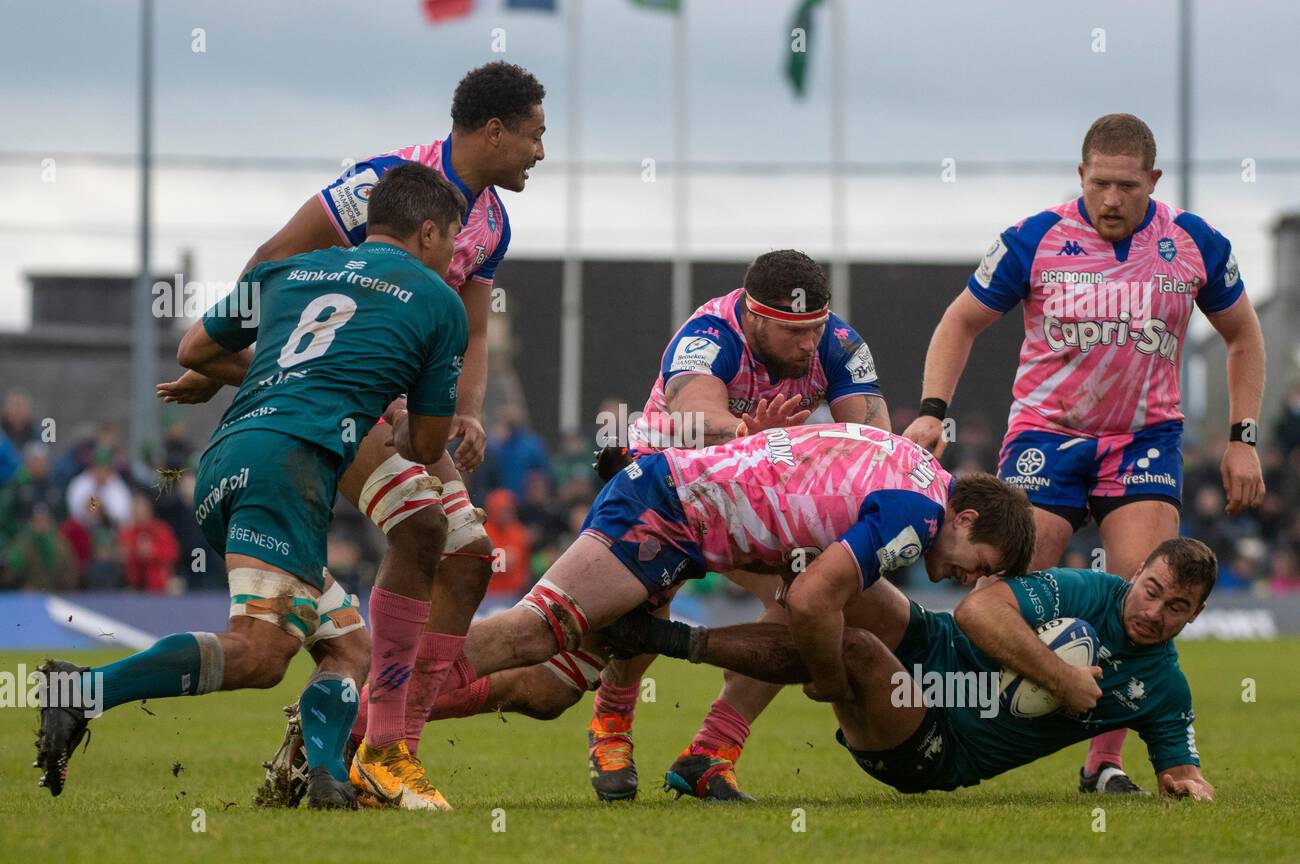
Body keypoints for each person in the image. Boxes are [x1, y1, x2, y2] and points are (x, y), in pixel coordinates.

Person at [156, 62, 547, 782]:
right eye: (534, 135)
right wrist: (232, 350)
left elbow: (477, 330)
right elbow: (278, 255)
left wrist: (466, 407)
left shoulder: (492, 222)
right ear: (494, 130)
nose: (540, 152)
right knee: (428, 532)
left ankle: (374, 743)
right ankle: (379, 751)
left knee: (469, 558)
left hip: (393, 400)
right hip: (336, 396)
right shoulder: (385, 182)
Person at [35, 164, 468, 811]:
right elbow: (428, 449)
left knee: (349, 645)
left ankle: (323, 778)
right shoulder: (439, 302)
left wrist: (274, 376)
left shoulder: (292, 270)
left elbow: (195, 348)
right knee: (261, 654)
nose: (454, 255)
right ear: (428, 232)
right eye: (453, 240)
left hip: (224, 459)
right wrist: (398, 417)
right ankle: (87, 690)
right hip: (288, 471)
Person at [901, 113, 1265, 794]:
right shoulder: (1035, 238)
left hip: (1145, 438)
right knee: (1002, 587)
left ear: (1152, 180)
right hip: (1046, 435)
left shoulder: (1194, 242)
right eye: (1100, 183)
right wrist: (931, 412)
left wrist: (1243, 437)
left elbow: (1244, 335)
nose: (1112, 199)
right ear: (1081, 175)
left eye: (1127, 185)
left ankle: (1104, 761)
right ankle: (950, 720)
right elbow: (961, 319)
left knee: (1143, 599)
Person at [391, 424, 1034, 807]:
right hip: (666, 509)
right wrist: (832, 685)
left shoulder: (913, 469)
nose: (970, 577)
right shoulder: (919, 518)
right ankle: (370, 721)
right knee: (532, 634)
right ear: (967, 518)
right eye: (983, 561)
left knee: (545, 688)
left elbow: (804, 582)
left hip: (687, 518)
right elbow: (815, 599)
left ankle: (705, 756)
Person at [583, 249, 890, 801]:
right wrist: (749, 432)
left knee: (806, 600)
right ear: (753, 317)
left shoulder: (840, 345)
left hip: (755, 498)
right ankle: (610, 724)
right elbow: (694, 415)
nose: (809, 345)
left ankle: (710, 752)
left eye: (816, 329)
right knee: (631, 625)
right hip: (671, 488)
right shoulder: (707, 335)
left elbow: (876, 441)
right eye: (793, 333)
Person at [611, 538, 1217, 802]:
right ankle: (672, 545)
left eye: (1176, 608)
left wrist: (1185, 784)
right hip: (936, 639)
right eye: (1152, 590)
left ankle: (660, 635)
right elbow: (979, 612)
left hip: (936, 746)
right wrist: (1060, 679)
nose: (1154, 612)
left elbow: (1181, 768)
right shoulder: (1088, 589)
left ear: (1196, 615)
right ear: (1136, 574)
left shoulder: (1165, 687)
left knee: (853, 650)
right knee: (820, 574)